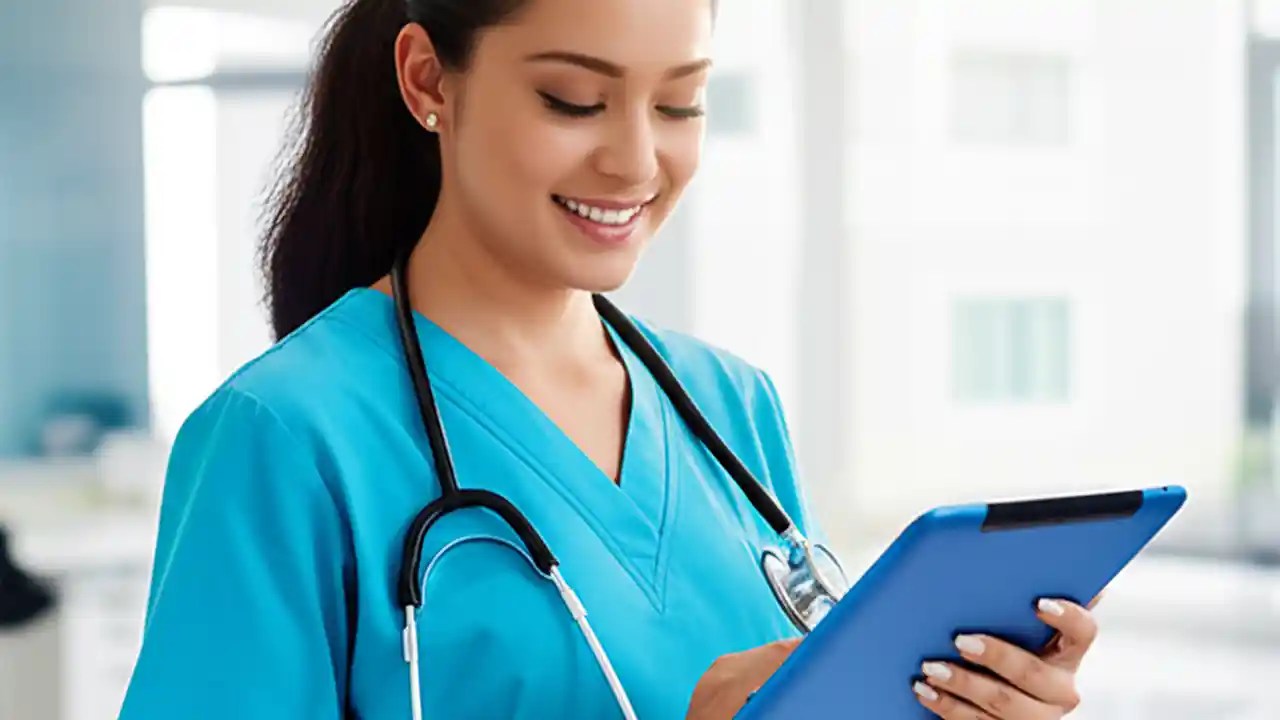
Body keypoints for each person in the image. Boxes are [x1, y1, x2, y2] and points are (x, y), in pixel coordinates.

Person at [119, 0, 1101, 717]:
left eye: (680, 105)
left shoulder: (731, 407)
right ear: (427, 81)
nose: (635, 163)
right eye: (572, 99)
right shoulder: (287, 438)